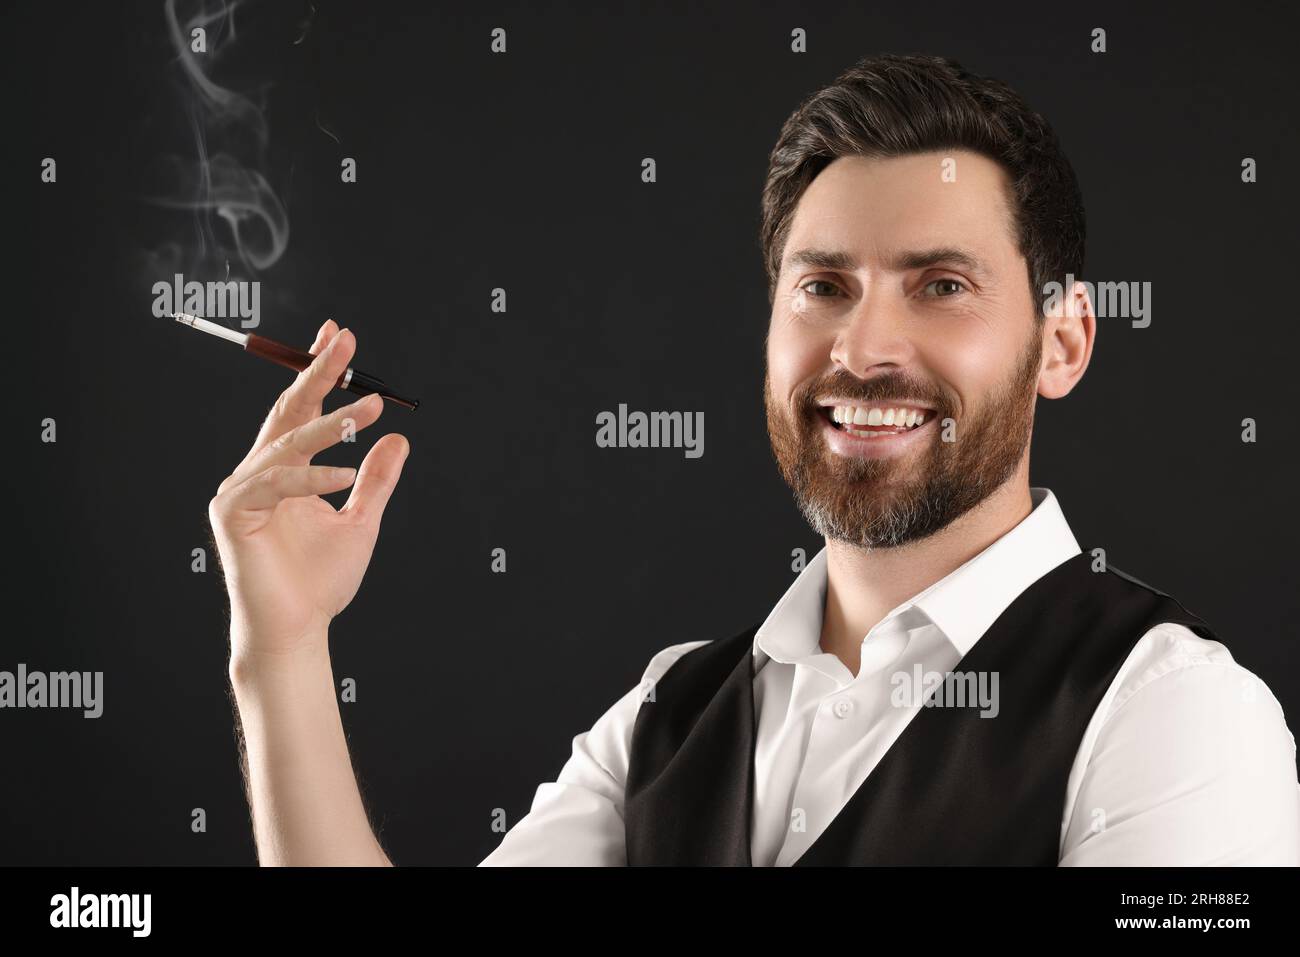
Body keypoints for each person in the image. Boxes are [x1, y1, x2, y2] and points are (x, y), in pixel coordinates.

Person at [209, 54, 1299, 866]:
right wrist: (285, 645)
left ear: (1062, 341)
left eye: (941, 286)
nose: (863, 350)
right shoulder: (666, 718)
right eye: (822, 287)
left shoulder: (1171, 712)